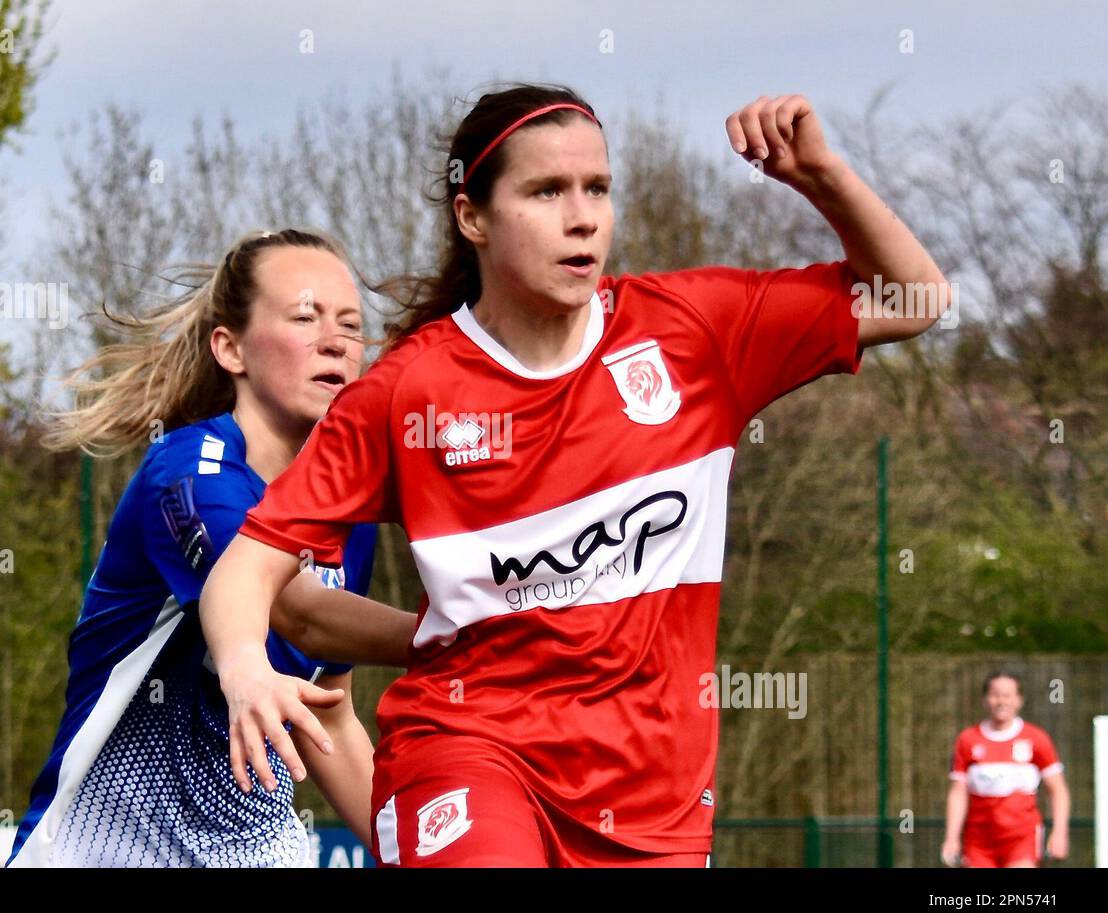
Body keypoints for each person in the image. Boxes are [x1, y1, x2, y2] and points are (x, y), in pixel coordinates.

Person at [200, 84, 951, 866]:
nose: (583, 215)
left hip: (652, 801)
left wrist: (822, 175)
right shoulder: (407, 394)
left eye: (597, 188)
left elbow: (917, 297)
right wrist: (247, 669)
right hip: (467, 752)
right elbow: (248, 575)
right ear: (473, 219)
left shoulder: (694, 333)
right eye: (547, 191)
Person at [8, 229, 415, 867]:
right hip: (105, 848)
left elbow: (331, 718)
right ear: (230, 348)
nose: (336, 340)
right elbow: (295, 609)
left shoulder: (350, 518)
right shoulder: (186, 472)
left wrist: (416, 856)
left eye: (350, 323)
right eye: (305, 317)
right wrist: (466, 635)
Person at [941, 670, 1069, 868]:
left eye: (1008, 695)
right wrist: (951, 837)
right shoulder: (968, 740)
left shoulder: (1036, 738)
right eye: (995, 695)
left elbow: (1057, 789)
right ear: (985, 700)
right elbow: (958, 792)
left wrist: (1059, 832)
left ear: (1019, 700)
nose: (1001, 701)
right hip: (979, 840)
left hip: (1021, 838)